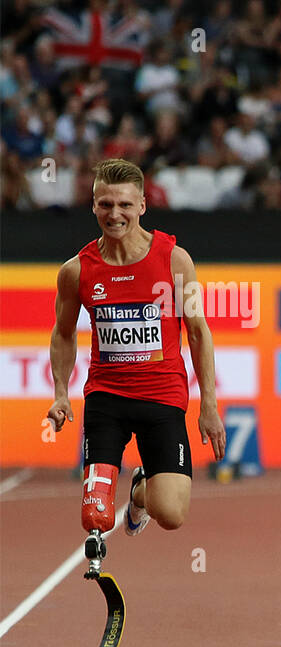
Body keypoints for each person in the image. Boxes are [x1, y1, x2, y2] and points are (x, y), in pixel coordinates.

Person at [46, 158, 225, 568]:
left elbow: (198, 331)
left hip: (162, 399)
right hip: (106, 399)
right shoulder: (76, 272)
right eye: (105, 204)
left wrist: (209, 405)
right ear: (93, 206)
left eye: (124, 205)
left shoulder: (176, 260)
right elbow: (63, 333)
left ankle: (142, 490)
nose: (115, 214)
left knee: (173, 516)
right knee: (95, 515)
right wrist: (60, 394)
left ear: (142, 205)